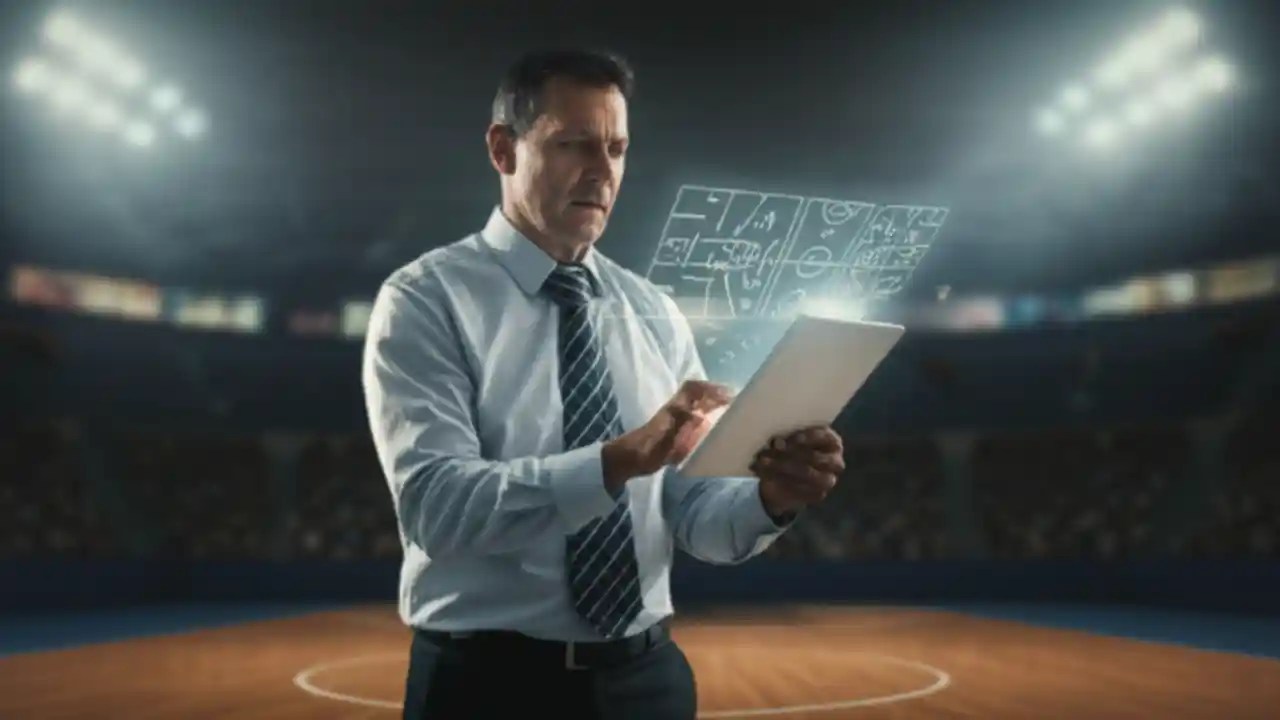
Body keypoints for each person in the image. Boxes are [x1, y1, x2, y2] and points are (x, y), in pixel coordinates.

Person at [361, 48, 846, 719]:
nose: (604, 171)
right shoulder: (425, 299)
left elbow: (694, 520)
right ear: (503, 149)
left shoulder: (653, 309)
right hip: (485, 689)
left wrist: (770, 498)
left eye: (617, 147)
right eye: (574, 144)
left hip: (646, 680)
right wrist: (619, 459)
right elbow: (436, 511)